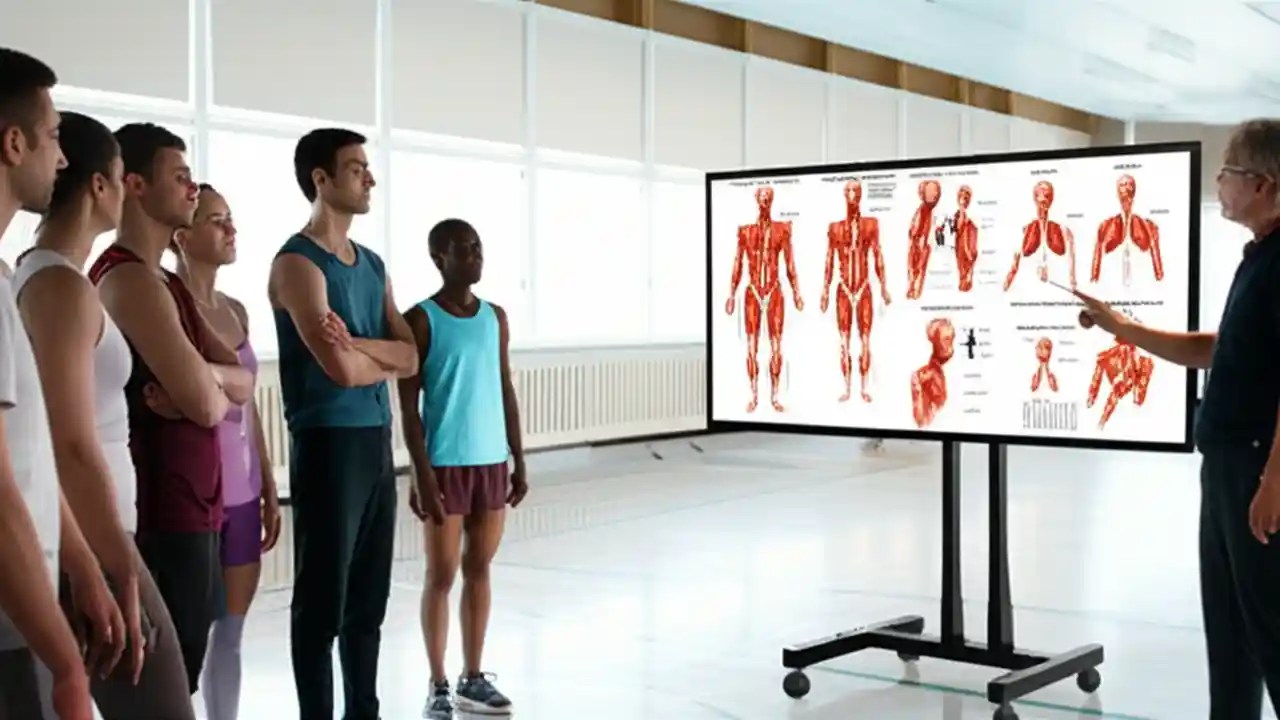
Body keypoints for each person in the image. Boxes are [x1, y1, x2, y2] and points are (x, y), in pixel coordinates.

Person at [1075, 118, 1280, 719]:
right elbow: (1220, 347)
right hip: (1224, 468)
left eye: (1229, 173)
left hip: (1254, 471)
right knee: (1230, 626)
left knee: (1270, 626)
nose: (1219, 183)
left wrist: (1273, 481)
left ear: (1265, 185)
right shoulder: (1258, 257)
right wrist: (1124, 329)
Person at [13, 110, 197, 718]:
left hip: (94, 536)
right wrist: (107, 566)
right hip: (89, 540)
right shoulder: (59, 285)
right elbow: (65, 442)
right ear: (101, 186)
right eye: (120, 177)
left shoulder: (47, 277)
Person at [88, 122, 254, 695]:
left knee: (187, 660)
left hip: (196, 505)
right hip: (160, 509)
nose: (192, 189)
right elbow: (210, 408)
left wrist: (200, 376)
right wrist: (208, 387)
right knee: (162, 680)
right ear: (134, 185)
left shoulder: (164, 280)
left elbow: (239, 379)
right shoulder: (128, 279)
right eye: (180, 177)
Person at [268, 127, 417, 720]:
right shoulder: (298, 264)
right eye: (356, 168)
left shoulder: (374, 265)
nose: (369, 178)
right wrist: (369, 355)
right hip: (329, 446)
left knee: (367, 604)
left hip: (376, 443)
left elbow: (411, 357)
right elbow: (338, 370)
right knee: (322, 605)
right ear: (321, 180)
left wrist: (361, 346)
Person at [396, 219, 529, 720]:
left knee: (480, 568)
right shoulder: (421, 320)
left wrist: (518, 456)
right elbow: (408, 408)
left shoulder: (495, 317)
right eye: (463, 249)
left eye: (478, 247)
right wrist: (421, 472)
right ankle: (438, 682)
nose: (475, 255)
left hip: (491, 461)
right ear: (439, 258)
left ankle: (475, 677)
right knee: (443, 574)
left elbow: (505, 388)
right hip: (446, 466)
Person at [0, 46, 96, 720]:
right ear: (13, 142)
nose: (62, 160)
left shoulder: (5, 280)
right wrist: (65, 663)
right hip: (12, 624)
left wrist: (81, 565)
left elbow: (27, 453)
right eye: (54, 137)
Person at [172, 183, 282, 720]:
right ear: (183, 234)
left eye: (230, 218)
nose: (230, 228)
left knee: (230, 632)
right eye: (216, 220)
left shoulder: (237, 310)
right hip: (193, 495)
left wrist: (267, 479)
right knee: (184, 634)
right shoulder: (167, 304)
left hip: (243, 494)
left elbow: (249, 404)